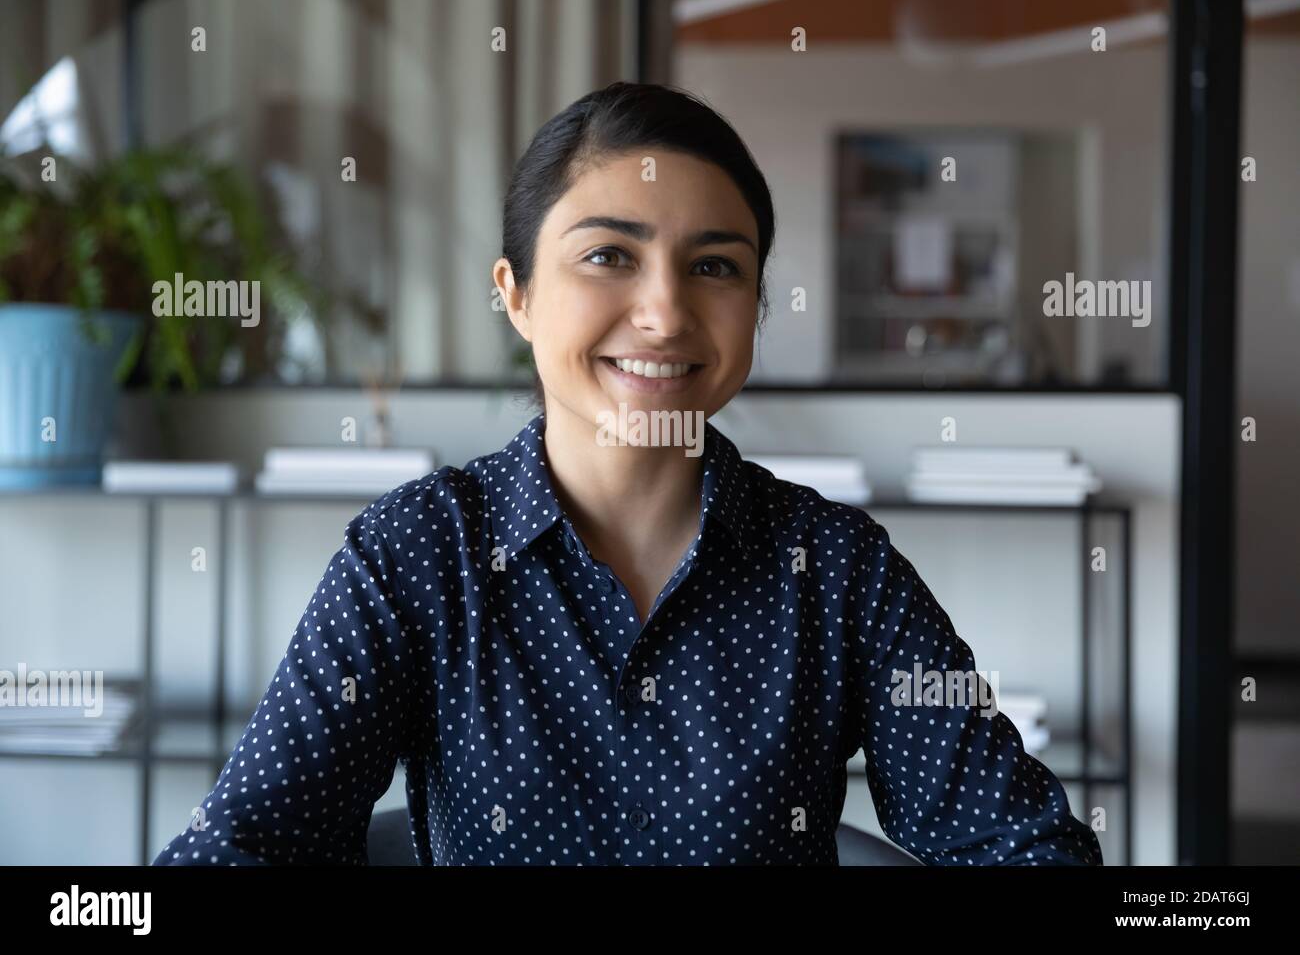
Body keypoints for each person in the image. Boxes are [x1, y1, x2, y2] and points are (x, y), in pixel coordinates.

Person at [154, 81, 1102, 866]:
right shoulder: (417, 556)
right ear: (516, 295)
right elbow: (240, 850)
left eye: (716, 268)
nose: (663, 312)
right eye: (609, 255)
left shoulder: (839, 569)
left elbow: (1024, 848)